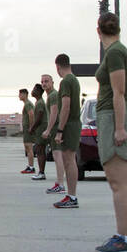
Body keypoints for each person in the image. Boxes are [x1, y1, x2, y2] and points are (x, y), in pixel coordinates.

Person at [94, 12, 127, 252]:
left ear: (98, 31)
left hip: (114, 118)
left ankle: (124, 239)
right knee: (115, 182)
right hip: (109, 118)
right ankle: (121, 235)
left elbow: (119, 93)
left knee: (119, 183)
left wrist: (119, 128)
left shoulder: (116, 52)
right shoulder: (114, 52)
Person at [49, 54, 81, 209]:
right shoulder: (74, 79)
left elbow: (66, 106)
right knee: (69, 160)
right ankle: (71, 195)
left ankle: (72, 196)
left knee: (69, 161)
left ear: (58, 67)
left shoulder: (66, 81)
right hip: (74, 123)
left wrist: (60, 130)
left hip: (69, 125)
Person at [29, 82, 48, 182]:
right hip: (40, 129)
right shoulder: (38, 102)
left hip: (41, 129)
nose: (32, 91)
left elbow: (39, 117)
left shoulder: (40, 102)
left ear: (39, 92)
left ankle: (41, 172)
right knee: (39, 150)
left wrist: (32, 128)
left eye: (34, 89)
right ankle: (41, 172)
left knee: (40, 150)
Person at [18, 88, 35, 172]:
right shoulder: (27, 104)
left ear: (25, 94)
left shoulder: (28, 104)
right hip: (26, 129)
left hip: (28, 129)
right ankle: (29, 165)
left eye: (20, 94)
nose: (19, 96)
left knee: (29, 147)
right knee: (27, 147)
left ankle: (31, 167)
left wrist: (31, 127)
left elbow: (31, 114)